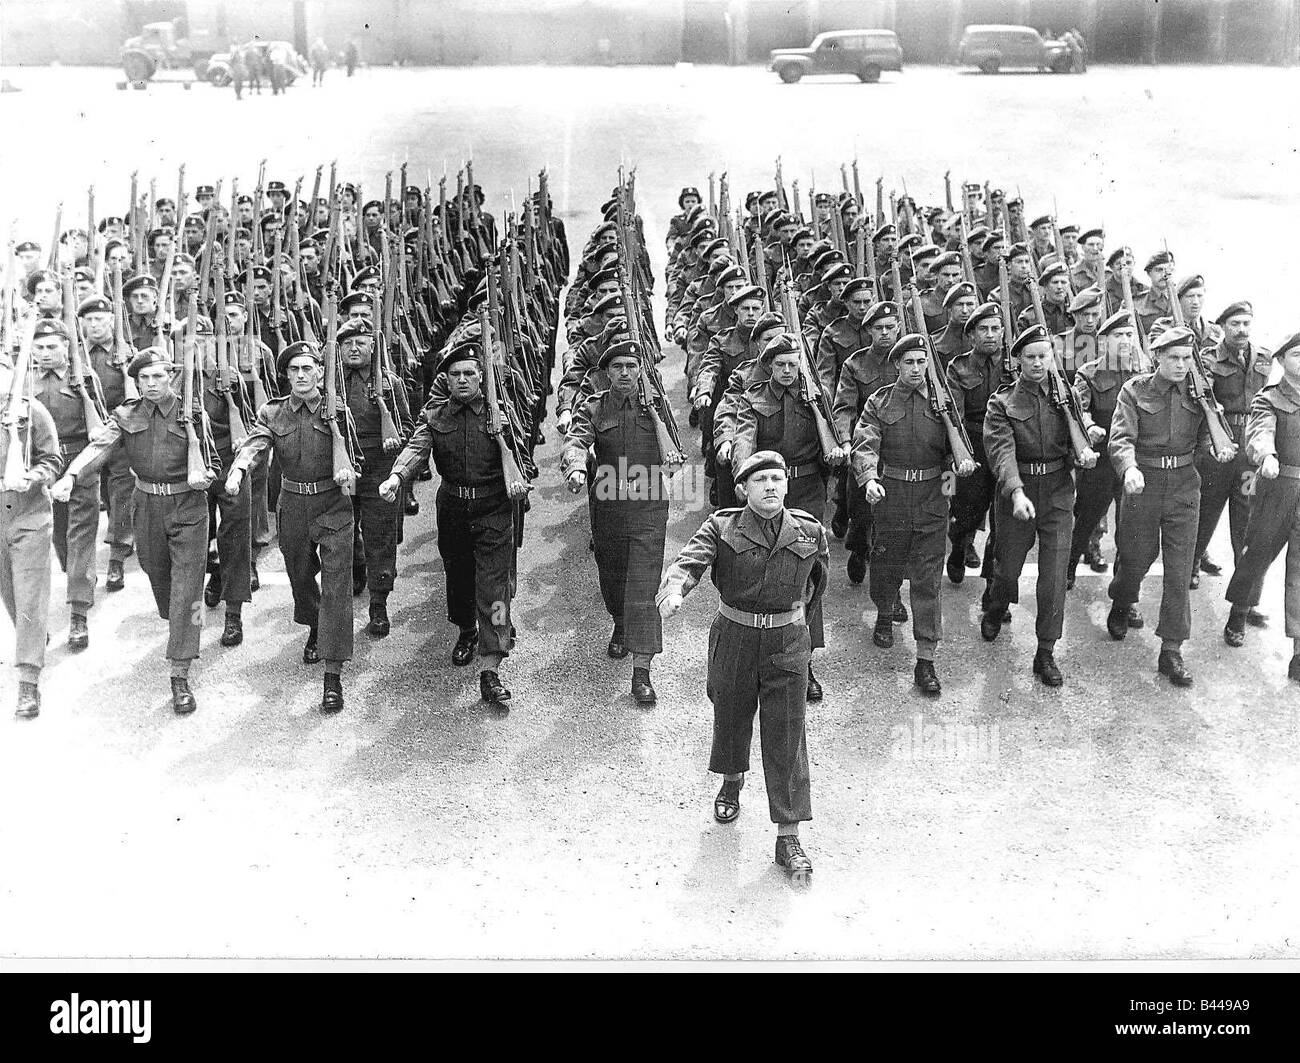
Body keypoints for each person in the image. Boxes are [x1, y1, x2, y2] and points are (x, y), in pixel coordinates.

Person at [657, 450, 828, 883]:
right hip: (734, 636)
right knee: (730, 715)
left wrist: (804, 645)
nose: (770, 486)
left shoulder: (809, 531)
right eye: (760, 480)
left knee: (787, 735)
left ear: (786, 485)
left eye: (776, 478)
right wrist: (674, 591)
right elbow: (687, 562)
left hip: (787, 643)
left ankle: (788, 836)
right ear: (742, 489)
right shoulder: (722, 527)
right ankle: (732, 779)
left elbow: (816, 591)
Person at [54, 349, 220, 716]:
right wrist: (70, 475)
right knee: (158, 577)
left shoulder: (192, 414)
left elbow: (213, 460)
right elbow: (98, 446)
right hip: (145, 506)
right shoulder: (127, 415)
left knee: (187, 588)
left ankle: (180, 671)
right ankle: (184, 621)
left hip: (188, 507)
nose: (151, 384)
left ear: (171, 376)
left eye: (158, 377)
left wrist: (207, 475)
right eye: (144, 378)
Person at [380, 341, 530, 706]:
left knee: (494, 587)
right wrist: (397, 477)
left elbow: (519, 458)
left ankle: (492, 665)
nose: (462, 380)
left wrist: (514, 470)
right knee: (459, 578)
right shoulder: (435, 417)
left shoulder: (501, 415)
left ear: (481, 377)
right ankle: (466, 630)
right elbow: (416, 448)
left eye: (469, 374)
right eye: (455, 375)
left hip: (493, 508)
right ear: (445, 380)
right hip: (453, 510)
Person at [226, 341, 357, 714]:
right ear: (286, 375)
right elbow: (256, 443)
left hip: (333, 505)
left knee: (336, 586)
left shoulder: (339, 411)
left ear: (320, 372)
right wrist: (239, 468)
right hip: (294, 505)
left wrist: (348, 469)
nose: (301, 375)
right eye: (294, 370)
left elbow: (354, 457)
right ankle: (315, 624)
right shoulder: (273, 412)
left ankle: (333, 675)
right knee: (300, 576)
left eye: (308, 368)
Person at [1106, 326, 1238, 686]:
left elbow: (1211, 438)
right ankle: (1122, 599)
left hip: (1183, 487)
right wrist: (1128, 467)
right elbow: (1121, 437)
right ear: (1157, 358)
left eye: (1186, 358)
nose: (1181, 365)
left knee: (1179, 571)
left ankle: (1172, 649)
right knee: (1136, 557)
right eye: (1174, 358)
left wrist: (1216, 446)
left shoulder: (1199, 393)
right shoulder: (1134, 391)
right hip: (1143, 484)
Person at [852, 333, 976, 694]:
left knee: (927, 579)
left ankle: (925, 659)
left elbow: (955, 454)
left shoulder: (943, 402)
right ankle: (886, 611)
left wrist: (950, 494)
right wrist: (868, 479)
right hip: (890, 494)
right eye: (910, 362)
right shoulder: (879, 401)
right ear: (896, 366)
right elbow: (865, 442)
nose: (917, 369)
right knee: (887, 564)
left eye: (923, 362)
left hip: (932, 498)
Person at [981, 325, 1098, 685]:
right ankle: (997, 604)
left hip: (1059, 492)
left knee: (1054, 576)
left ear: (1052, 358)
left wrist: (1086, 448)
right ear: (1017, 361)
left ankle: (1045, 651)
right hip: (1020, 492)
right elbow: (1001, 453)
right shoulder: (1001, 404)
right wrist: (1015, 492)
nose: (1036, 363)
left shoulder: (1066, 396)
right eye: (1029, 357)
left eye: (1043, 356)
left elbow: (1078, 431)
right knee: (1009, 569)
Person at [561, 339, 672, 704]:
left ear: (641, 370)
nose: (625, 373)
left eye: (631, 366)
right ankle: (619, 621)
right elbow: (577, 440)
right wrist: (576, 467)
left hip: (649, 506)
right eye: (618, 367)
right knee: (612, 577)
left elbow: (673, 451)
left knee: (642, 588)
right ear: (606, 373)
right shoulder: (594, 406)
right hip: (609, 503)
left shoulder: (655, 405)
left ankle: (642, 672)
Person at [1223, 333, 1300, 674]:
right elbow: (1259, 431)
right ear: (1282, 361)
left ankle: (1299, 650)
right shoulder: (1269, 399)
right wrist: (1266, 455)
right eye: (1297, 355)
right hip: (1276, 487)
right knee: (1258, 554)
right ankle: (1240, 609)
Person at [29, 318, 103, 650]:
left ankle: (78, 613)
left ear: (65, 347)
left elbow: (100, 430)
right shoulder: (27, 383)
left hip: (80, 463)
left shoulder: (84, 379)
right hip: (45, 467)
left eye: (51, 347)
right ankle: (79, 575)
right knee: (60, 536)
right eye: (39, 347)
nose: (44, 353)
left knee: (81, 536)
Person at [1191, 300, 1272, 604]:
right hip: (1219, 446)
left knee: (1248, 521)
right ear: (1222, 327)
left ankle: (1246, 597)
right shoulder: (1208, 359)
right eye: (1235, 324)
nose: (1241, 330)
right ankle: (1193, 562)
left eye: (1246, 324)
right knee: (1207, 510)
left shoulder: (1263, 357)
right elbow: (1203, 398)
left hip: (1251, 448)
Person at [338, 318, 411, 636]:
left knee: (380, 536)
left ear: (373, 347)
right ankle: (356, 567)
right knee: (342, 527)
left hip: (379, 466)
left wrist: (394, 440)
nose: (353, 348)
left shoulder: (390, 384)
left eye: (360, 343)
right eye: (347, 344)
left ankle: (378, 604)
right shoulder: (333, 383)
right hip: (343, 466)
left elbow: (408, 427)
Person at [0, 357, 61, 719]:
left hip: (28, 512)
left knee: (29, 594)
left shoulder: (30, 413)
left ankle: (28, 683)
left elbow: (52, 459)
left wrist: (34, 475)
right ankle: (34, 637)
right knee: (9, 591)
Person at [77, 294, 136, 593]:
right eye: (88, 319)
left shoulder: (127, 353)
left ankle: (117, 556)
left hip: (122, 432)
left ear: (112, 320)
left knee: (122, 488)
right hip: (89, 435)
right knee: (95, 493)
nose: (95, 324)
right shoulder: (78, 356)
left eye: (100, 318)